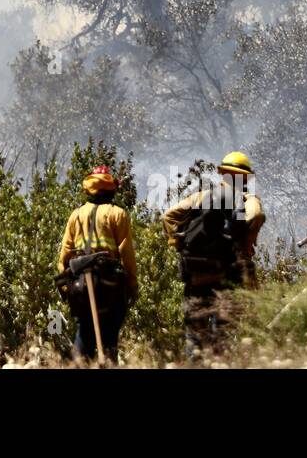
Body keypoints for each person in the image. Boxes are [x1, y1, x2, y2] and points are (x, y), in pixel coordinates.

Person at [162, 152, 265, 358]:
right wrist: (246, 242)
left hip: (196, 272)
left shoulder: (202, 195)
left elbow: (168, 215)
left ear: (223, 173)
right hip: (227, 274)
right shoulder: (246, 199)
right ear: (245, 178)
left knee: (195, 331)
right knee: (223, 331)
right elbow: (256, 215)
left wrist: (176, 242)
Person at [57, 166, 138, 363]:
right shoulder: (117, 214)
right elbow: (127, 254)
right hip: (110, 285)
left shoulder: (76, 215)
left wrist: (67, 286)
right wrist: (132, 285)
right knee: (109, 337)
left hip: (81, 285)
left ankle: (79, 364)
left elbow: (64, 256)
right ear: (111, 189)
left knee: (84, 332)